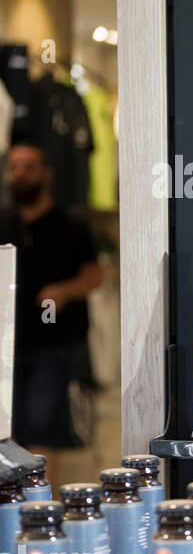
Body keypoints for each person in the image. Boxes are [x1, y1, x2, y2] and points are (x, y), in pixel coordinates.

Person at [1, 141, 103, 488]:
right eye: (14, 167)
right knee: (8, 429)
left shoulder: (69, 225)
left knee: (42, 425)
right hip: (7, 344)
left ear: (46, 173)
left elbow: (95, 275)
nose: (21, 174)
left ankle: (37, 506)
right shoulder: (4, 224)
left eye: (29, 166)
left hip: (52, 343)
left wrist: (63, 291)